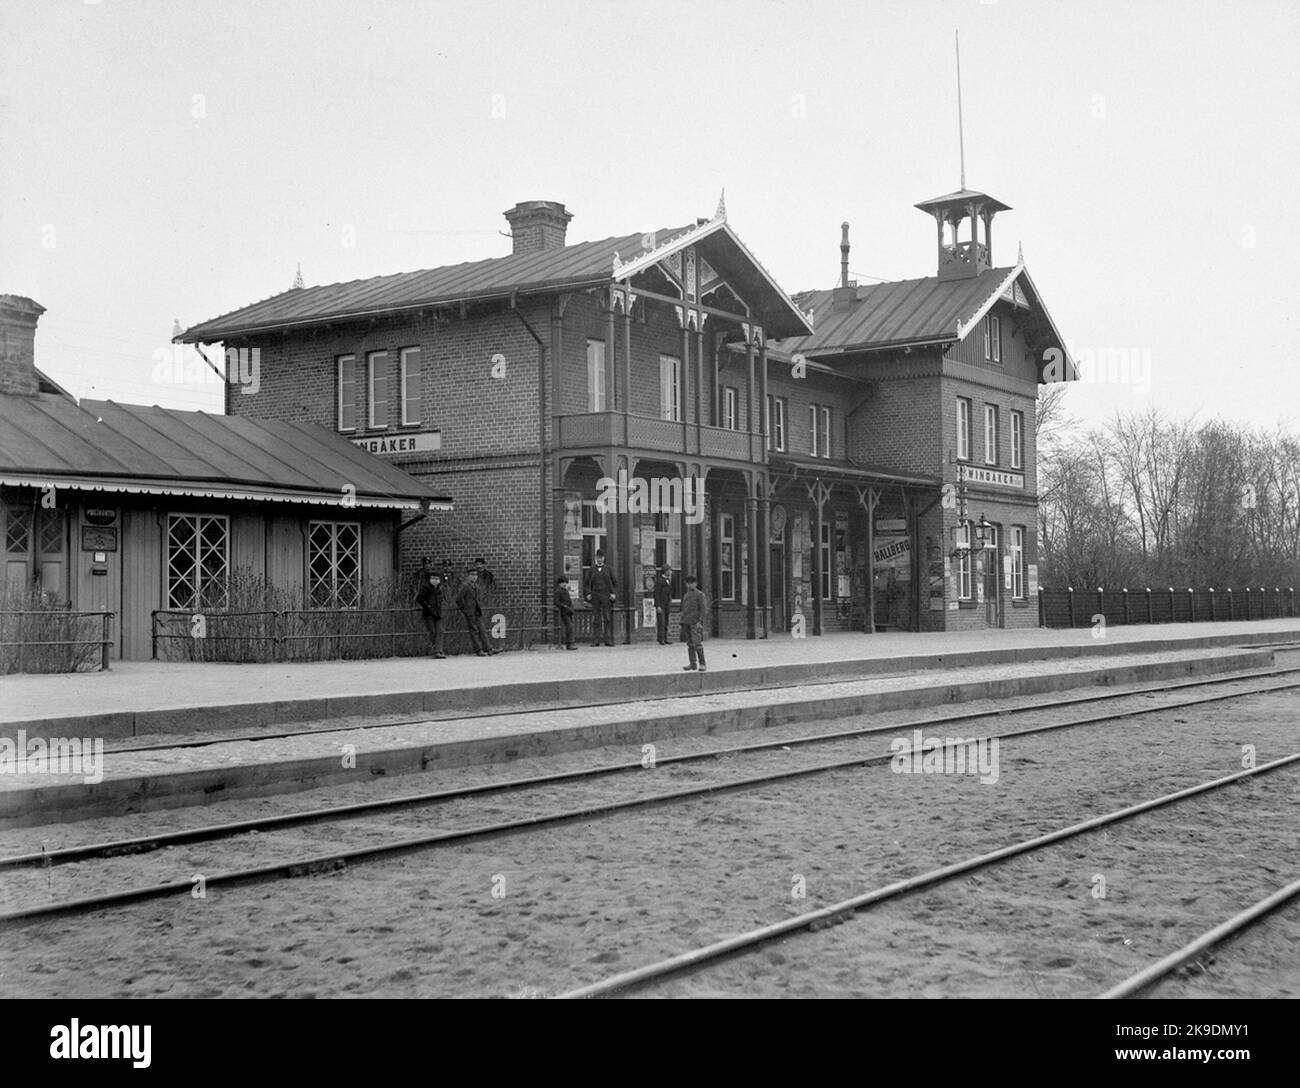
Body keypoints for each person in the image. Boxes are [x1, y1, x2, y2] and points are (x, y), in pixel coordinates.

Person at [457, 567, 498, 656]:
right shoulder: (465, 586)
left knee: (482, 630)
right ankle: (478, 649)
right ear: (468, 576)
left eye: (475, 575)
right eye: (472, 575)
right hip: (469, 611)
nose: (474, 577)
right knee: (474, 631)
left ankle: (488, 648)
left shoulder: (476, 586)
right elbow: (459, 599)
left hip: (477, 610)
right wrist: (464, 609)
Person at [584, 550, 616, 646]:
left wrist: (613, 593)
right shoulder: (591, 569)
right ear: (595, 558)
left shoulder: (609, 569)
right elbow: (586, 583)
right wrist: (588, 593)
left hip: (606, 595)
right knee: (596, 618)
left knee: (607, 617)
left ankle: (608, 640)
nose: (599, 559)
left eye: (601, 557)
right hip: (595, 596)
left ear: (604, 558)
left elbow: (615, 583)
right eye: (598, 557)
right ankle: (596, 640)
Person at [680, 574, 708, 672]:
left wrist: (700, 621)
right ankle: (692, 663)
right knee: (690, 644)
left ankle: (702, 664)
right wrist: (682, 621)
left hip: (695, 622)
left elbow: (704, 609)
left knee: (697, 643)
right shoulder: (685, 595)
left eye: (692, 583)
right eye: (687, 583)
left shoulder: (700, 594)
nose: (689, 585)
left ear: (696, 584)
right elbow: (684, 609)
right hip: (686, 622)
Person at [416, 570, 447, 659]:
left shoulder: (439, 588)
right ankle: (437, 650)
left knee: (440, 632)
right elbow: (419, 598)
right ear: (430, 579)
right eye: (433, 578)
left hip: (438, 612)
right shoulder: (425, 587)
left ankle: (439, 650)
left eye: (437, 578)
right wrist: (427, 606)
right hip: (429, 613)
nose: (435, 580)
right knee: (433, 632)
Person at [555, 576, 578, 650]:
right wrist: (564, 606)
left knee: (571, 627)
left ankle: (570, 643)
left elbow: (569, 601)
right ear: (560, 583)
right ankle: (570, 643)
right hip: (564, 611)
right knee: (569, 627)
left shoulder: (565, 591)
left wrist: (571, 608)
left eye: (565, 583)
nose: (565, 584)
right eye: (563, 583)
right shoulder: (558, 591)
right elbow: (556, 602)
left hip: (568, 611)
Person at [653, 565, 673, 645]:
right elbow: (656, 594)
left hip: (667, 603)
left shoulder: (668, 580)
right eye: (669, 570)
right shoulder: (659, 581)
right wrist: (658, 605)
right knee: (661, 621)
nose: (671, 572)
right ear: (665, 571)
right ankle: (660, 638)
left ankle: (665, 638)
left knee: (666, 621)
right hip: (661, 604)